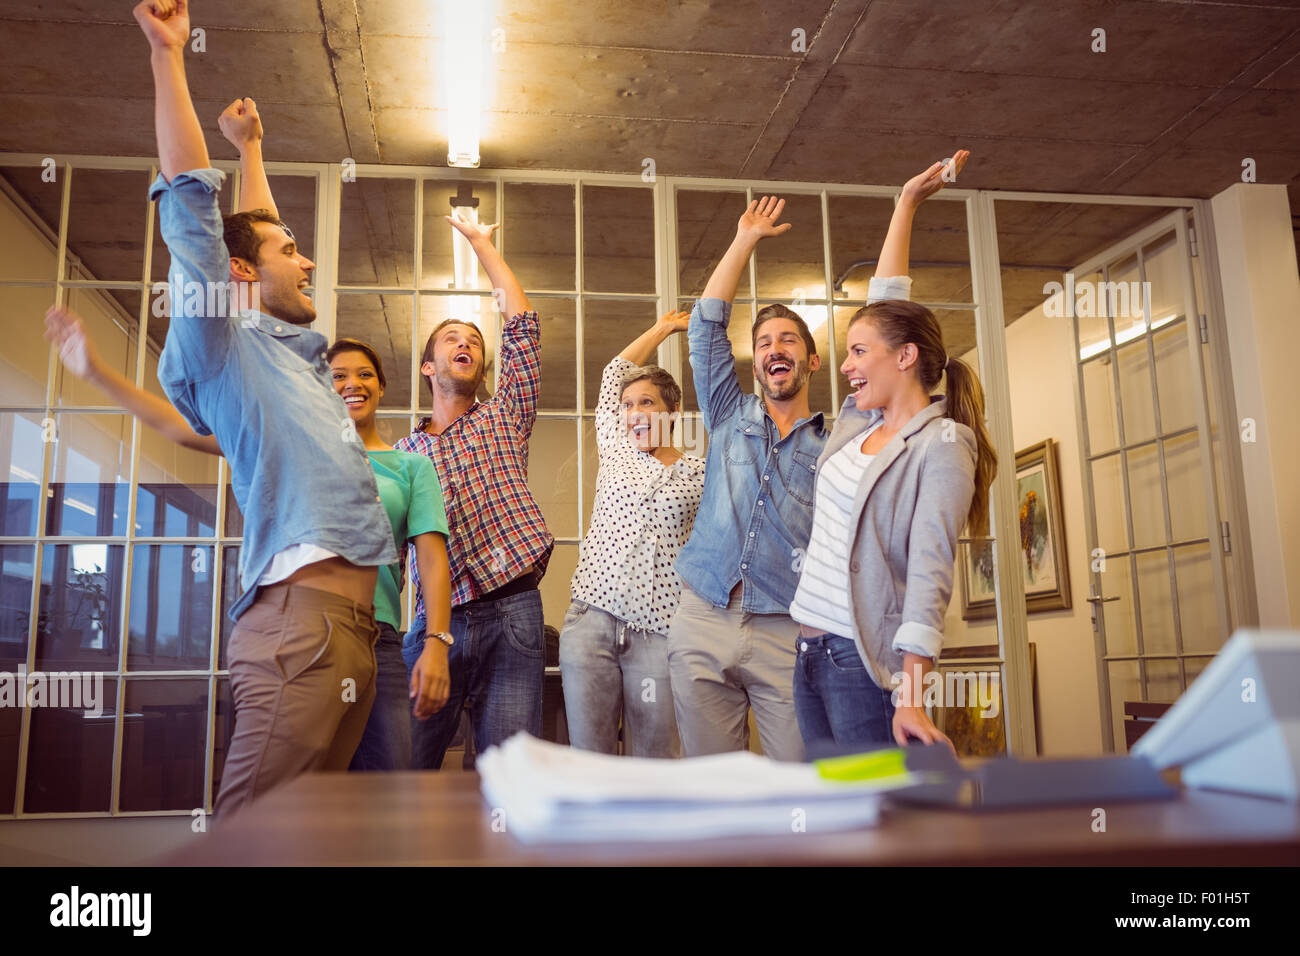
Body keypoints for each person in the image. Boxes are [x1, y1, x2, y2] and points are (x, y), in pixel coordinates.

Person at [127, 0, 396, 815]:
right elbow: (198, 220)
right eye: (292, 252)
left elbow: (257, 235)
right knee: (253, 835)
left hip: (352, 636)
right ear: (241, 276)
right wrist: (168, 55)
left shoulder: (291, 355)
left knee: (310, 840)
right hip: (299, 630)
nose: (306, 260)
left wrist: (253, 149)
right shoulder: (221, 344)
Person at [666, 195, 911, 761]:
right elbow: (704, 328)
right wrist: (744, 239)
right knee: (714, 785)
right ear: (755, 363)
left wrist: (903, 206)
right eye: (764, 343)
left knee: (797, 779)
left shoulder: (839, 441)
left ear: (812, 361)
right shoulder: (728, 415)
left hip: (788, 629)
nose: (774, 349)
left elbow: (887, 329)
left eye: (788, 340)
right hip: (703, 615)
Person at [789, 152, 996, 752]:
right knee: (832, 805)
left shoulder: (943, 444)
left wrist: (913, 696)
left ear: (905, 357)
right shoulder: (861, 421)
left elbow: (930, 571)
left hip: (860, 665)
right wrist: (904, 205)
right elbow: (886, 301)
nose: (846, 367)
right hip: (808, 654)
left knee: (876, 808)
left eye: (859, 352)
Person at [396, 213, 553, 770]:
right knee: (406, 766)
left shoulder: (504, 415)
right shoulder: (404, 454)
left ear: (483, 369)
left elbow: (523, 327)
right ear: (428, 366)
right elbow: (392, 552)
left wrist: (482, 244)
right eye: (451, 340)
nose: (465, 344)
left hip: (513, 609)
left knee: (506, 772)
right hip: (435, 623)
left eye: (473, 343)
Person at [559, 311, 706, 757]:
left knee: (655, 762)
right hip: (592, 622)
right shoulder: (616, 449)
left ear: (673, 412)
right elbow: (614, 373)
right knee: (590, 758)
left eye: (647, 403)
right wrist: (664, 328)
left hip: (659, 632)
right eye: (628, 405)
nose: (635, 413)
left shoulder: (701, 473)